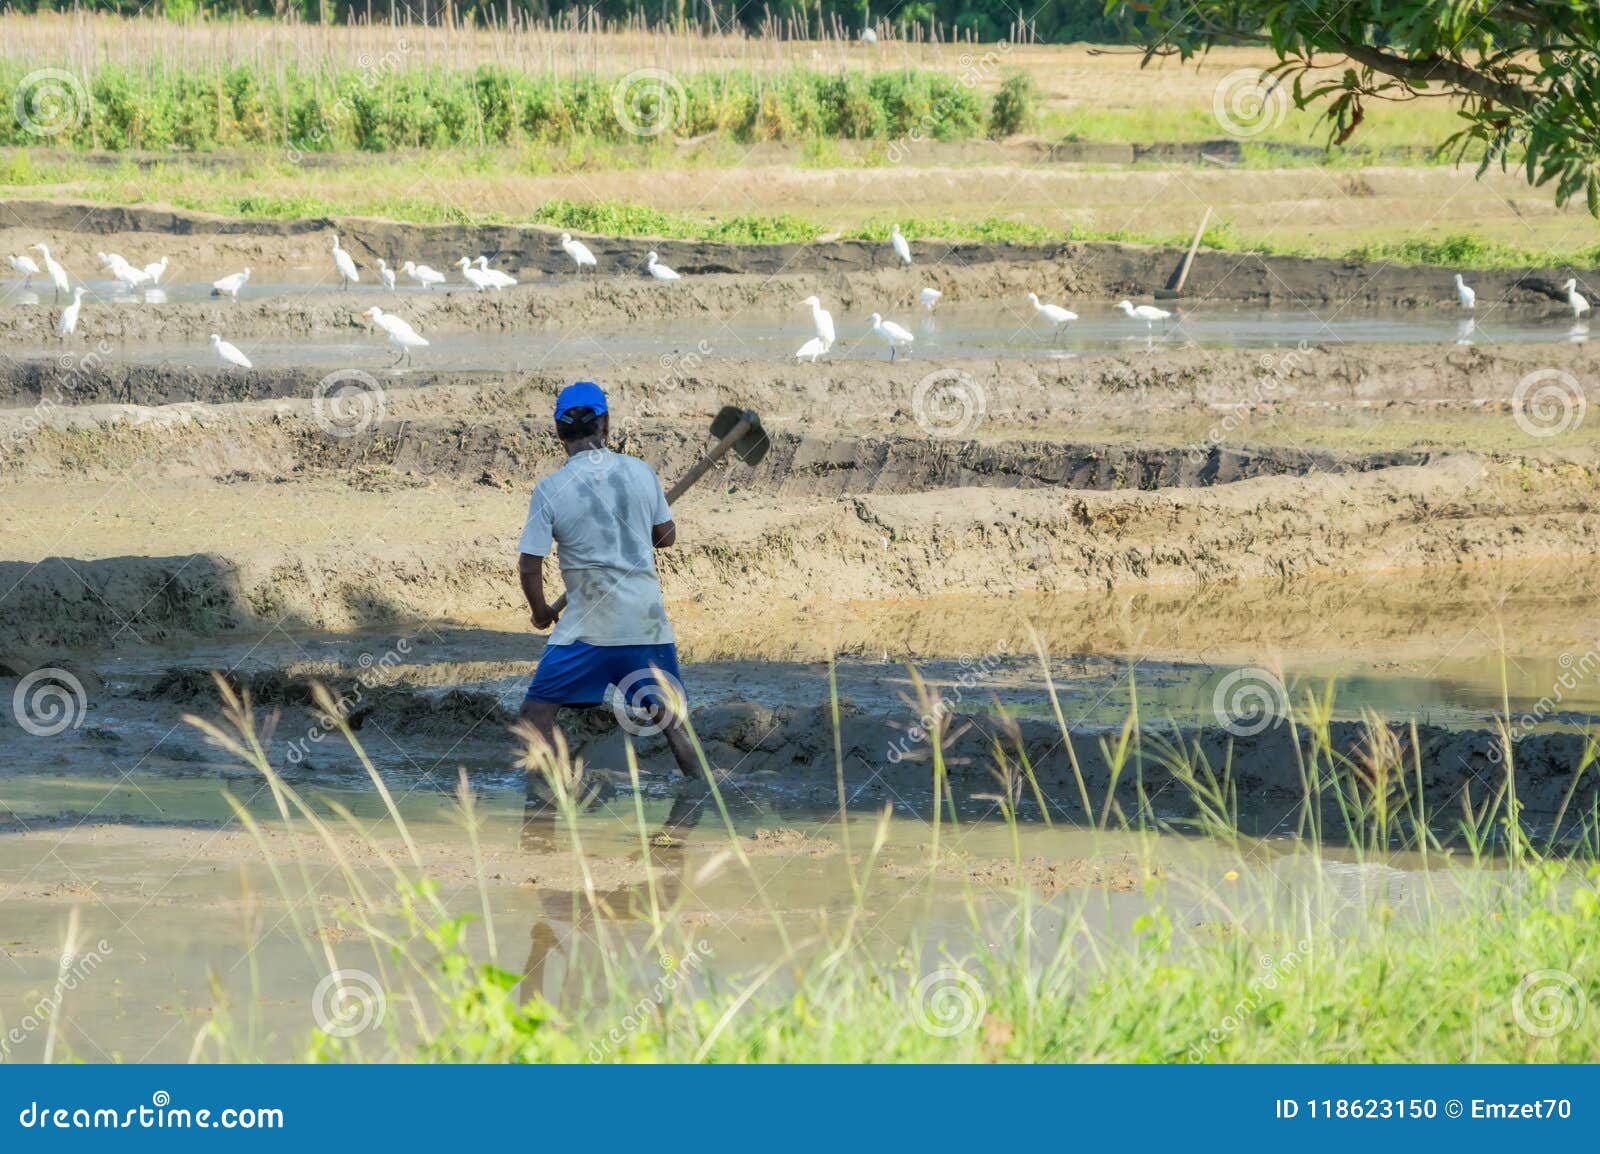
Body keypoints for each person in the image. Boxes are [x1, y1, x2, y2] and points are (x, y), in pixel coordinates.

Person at [516, 381, 701, 778]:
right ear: (605, 425)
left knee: (535, 715)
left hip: (588, 633)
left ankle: (549, 803)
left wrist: (542, 611)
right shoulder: (640, 472)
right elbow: (666, 538)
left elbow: (530, 566)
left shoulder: (549, 490)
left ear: (559, 432)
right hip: (646, 626)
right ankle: (701, 791)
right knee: (671, 720)